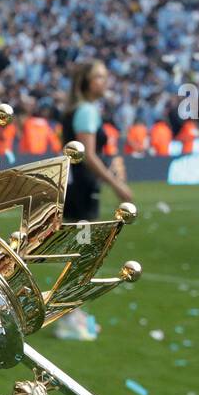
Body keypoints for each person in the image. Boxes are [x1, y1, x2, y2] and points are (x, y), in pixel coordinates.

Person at [55, 59, 133, 341]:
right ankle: (68, 315)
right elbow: (87, 154)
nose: (105, 81)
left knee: (80, 249)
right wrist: (117, 185)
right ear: (86, 82)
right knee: (84, 252)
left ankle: (72, 312)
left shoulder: (75, 110)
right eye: (99, 77)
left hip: (76, 188)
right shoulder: (86, 111)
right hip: (84, 190)